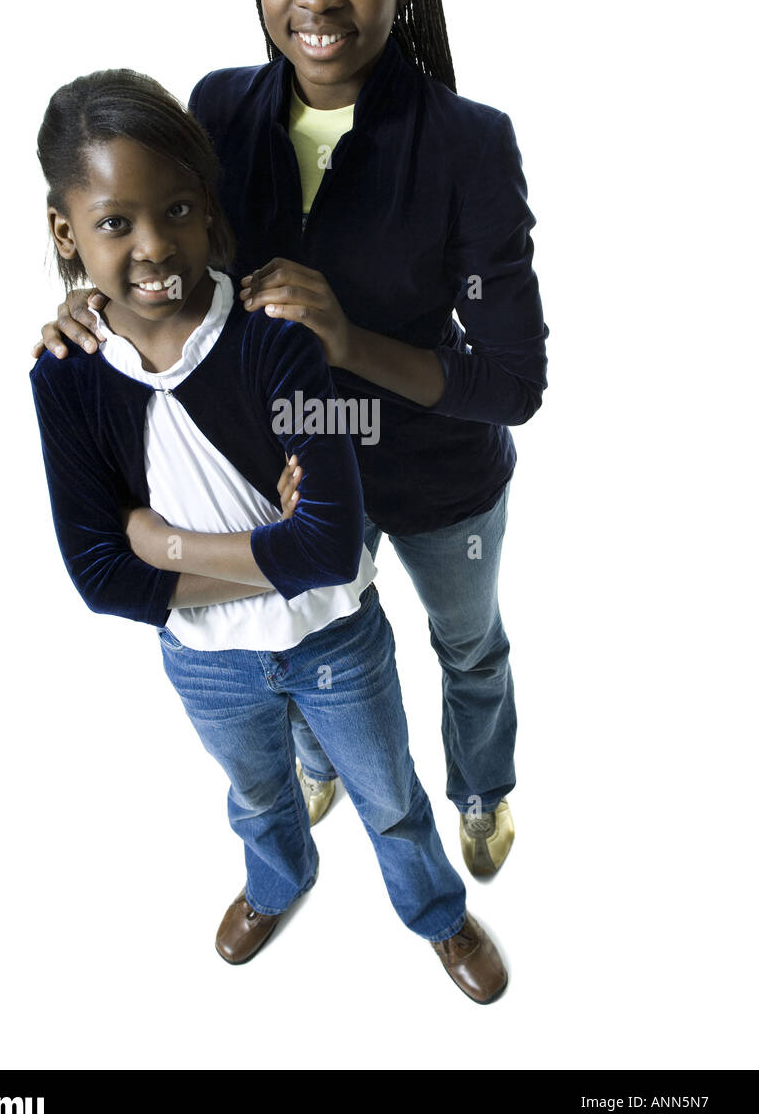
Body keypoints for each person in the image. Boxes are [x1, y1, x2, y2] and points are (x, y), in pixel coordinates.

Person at [34, 0, 549, 878]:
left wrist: (349, 341)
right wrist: (86, 311)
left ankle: (480, 785)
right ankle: (318, 760)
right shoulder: (219, 109)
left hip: (441, 475)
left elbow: (512, 381)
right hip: (297, 478)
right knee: (304, 641)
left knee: (467, 648)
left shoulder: (467, 142)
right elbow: (166, 264)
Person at [29, 67, 508, 1003]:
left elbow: (327, 551)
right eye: (114, 223)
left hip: (334, 640)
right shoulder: (68, 379)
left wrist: (160, 544)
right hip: (209, 664)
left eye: (175, 210)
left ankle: (438, 916)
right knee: (256, 794)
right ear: (66, 233)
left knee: (393, 801)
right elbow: (98, 577)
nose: (154, 245)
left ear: (210, 209)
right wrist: (259, 552)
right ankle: (278, 881)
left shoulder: (275, 338)